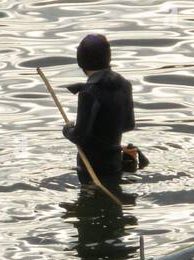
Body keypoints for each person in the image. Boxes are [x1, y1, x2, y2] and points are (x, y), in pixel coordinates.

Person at [61, 33, 146, 184]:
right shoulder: (125, 84)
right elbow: (128, 125)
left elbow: (80, 136)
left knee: (89, 201)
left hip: (92, 169)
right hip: (115, 162)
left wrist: (67, 129)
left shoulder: (89, 92)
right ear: (108, 57)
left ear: (81, 61)